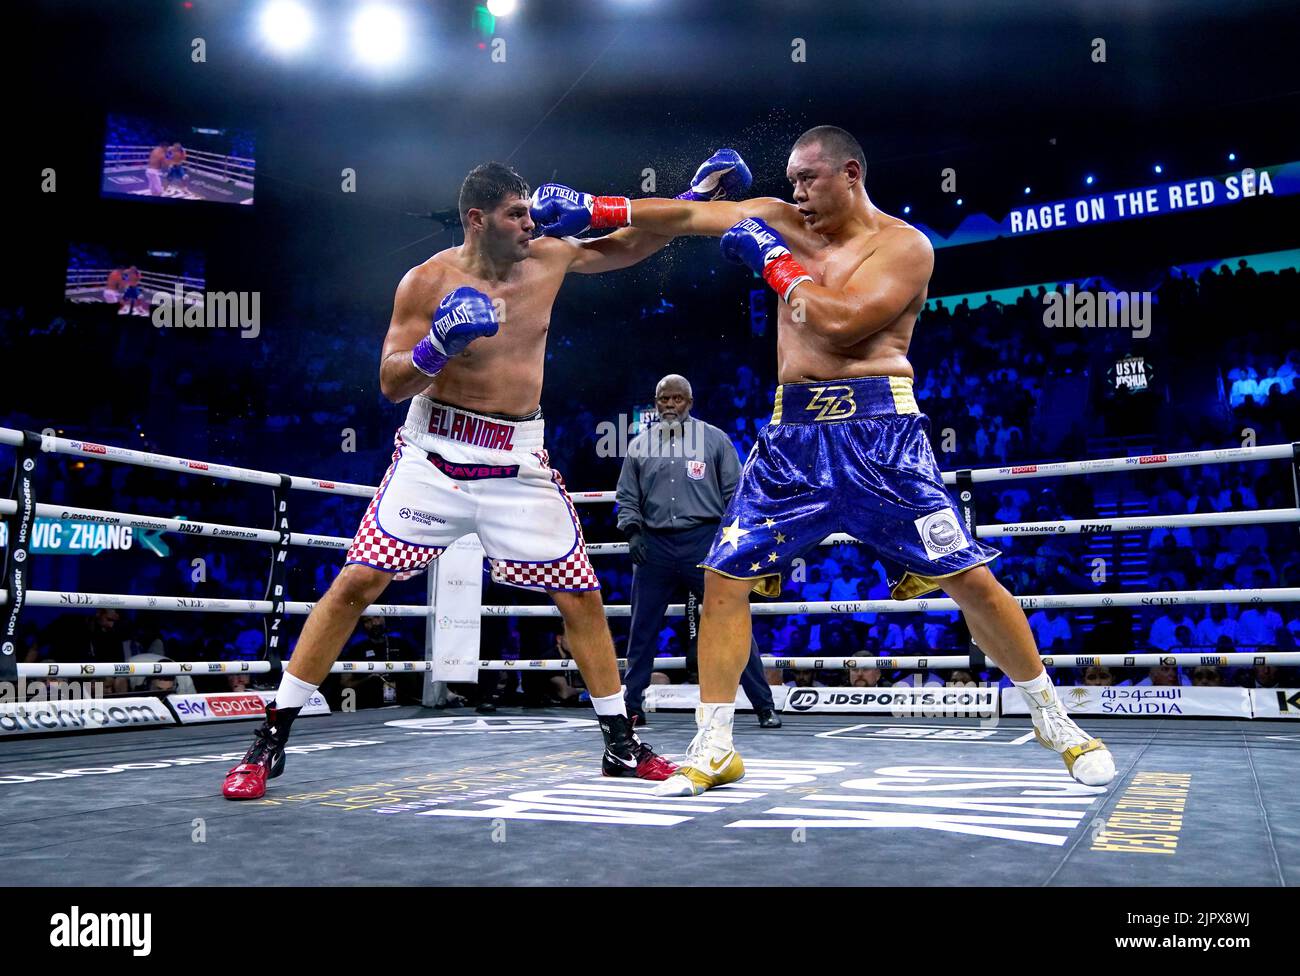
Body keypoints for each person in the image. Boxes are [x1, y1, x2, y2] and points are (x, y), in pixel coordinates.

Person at [531, 124, 1116, 795]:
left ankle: (1056, 721)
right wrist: (597, 207)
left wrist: (771, 263)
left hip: (881, 436)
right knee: (724, 577)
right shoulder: (782, 220)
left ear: (850, 174)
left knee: (970, 579)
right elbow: (691, 214)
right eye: (790, 180)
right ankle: (716, 744)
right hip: (793, 439)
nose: (796, 192)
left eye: (809, 178)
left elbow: (837, 323)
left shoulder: (904, 246)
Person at [224, 152, 751, 799]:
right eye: (516, 215)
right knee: (356, 582)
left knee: (580, 596)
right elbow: (391, 382)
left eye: (530, 213)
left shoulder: (549, 256)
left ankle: (618, 743)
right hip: (435, 451)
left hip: (517, 459)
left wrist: (695, 192)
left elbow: (631, 244)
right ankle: (269, 738)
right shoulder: (427, 281)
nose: (531, 225)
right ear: (477, 219)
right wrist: (435, 346)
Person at [615, 372, 779, 728]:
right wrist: (632, 531)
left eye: (676, 399)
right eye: (664, 399)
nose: (670, 405)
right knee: (642, 627)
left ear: (689, 402)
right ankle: (631, 706)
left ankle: (764, 704)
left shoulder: (714, 439)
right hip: (655, 544)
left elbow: (735, 494)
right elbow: (627, 496)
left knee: (733, 621)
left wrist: (727, 542)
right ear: (656, 402)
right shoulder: (640, 445)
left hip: (704, 542)